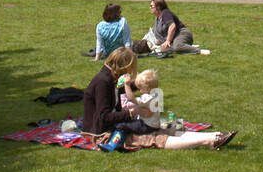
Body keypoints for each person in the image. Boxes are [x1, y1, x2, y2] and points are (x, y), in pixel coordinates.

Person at [82, 48, 235, 150]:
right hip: (102, 133)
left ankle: (214, 135)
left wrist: (147, 82)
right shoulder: (103, 82)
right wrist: (131, 113)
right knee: (154, 137)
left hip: (115, 125)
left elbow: (127, 87)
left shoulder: (110, 78)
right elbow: (104, 117)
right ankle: (208, 142)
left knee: (162, 130)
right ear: (123, 67)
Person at [141, 0, 209, 57]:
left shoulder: (165, 13)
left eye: (151, 6)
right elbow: (159, 36)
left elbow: (172, 26)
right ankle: (186, 47)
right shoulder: (157, 19)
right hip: (173, 39)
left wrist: (168, 40)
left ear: (158, 7)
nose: (150, 8)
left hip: (182, 34)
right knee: (163, 49)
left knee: (177, 47)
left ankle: (199, 51)